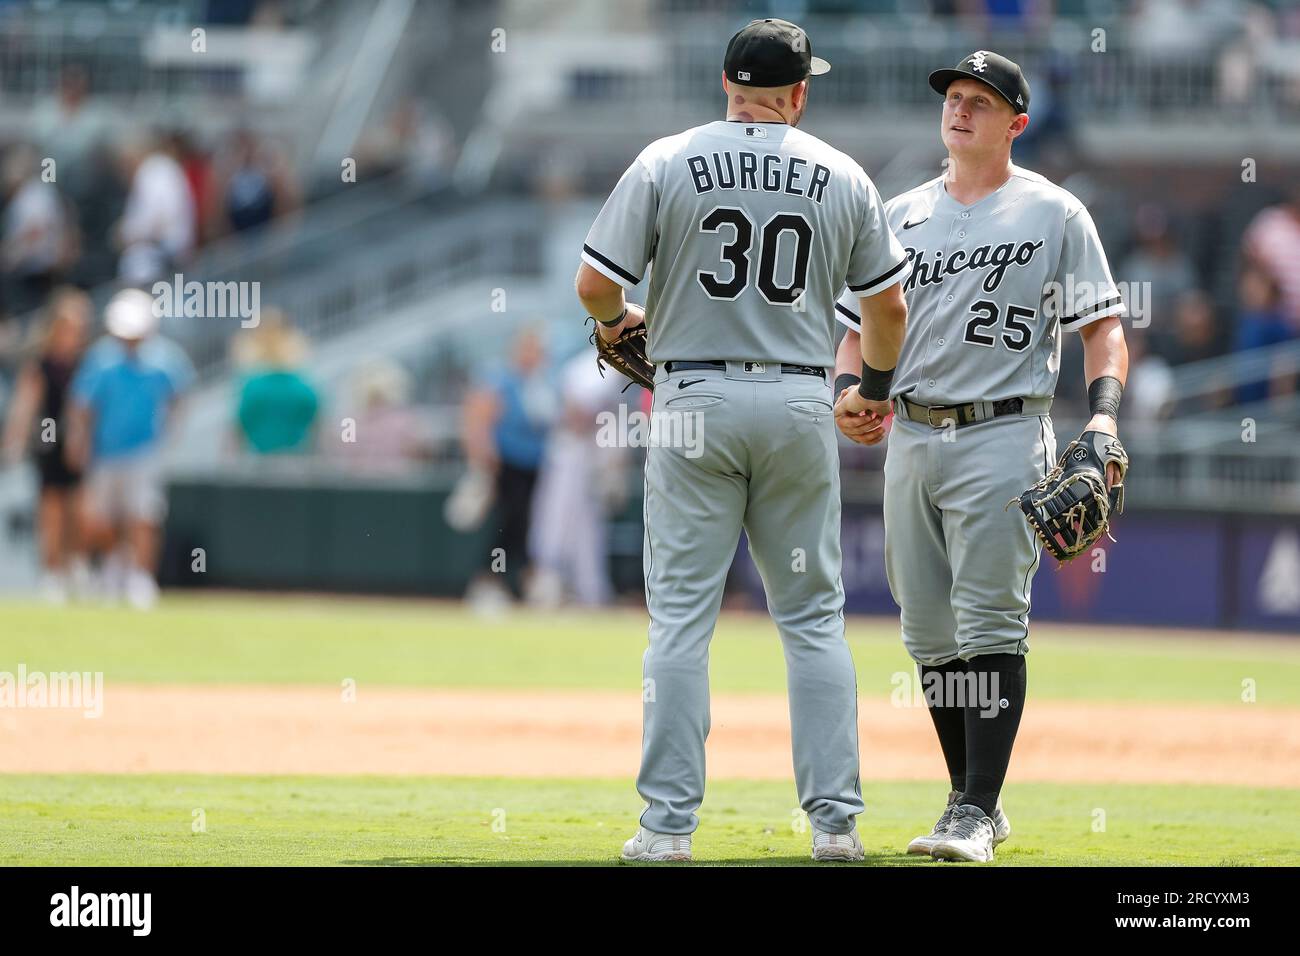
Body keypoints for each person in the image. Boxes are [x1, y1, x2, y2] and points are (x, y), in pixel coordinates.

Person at [576, 19, 909, 863]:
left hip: (692, 397)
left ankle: (666, 832)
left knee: (680, 623)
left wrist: (620, 323)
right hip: (799, 401)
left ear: (727, 82)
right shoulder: (842, 172)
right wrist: (868, 391)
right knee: (813, 622)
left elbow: (594, 284)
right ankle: (834, 825)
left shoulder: (666, 157)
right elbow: (887, 311)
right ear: (798, 94)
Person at [833, 51, 1129, 862]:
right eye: (954, 98)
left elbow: (1103, 328)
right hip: (912, 434)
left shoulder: (1054, 213)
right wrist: (851, 392)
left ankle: (972, 809)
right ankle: (974, 800)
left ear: (1016, 123)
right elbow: (856, 329)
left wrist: (1101, 423)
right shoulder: (896, 215)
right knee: (927, 631)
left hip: (1003, 430)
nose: (960, 110)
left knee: (993, 618)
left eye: (981, 101)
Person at [67, 288, 194, 609]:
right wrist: (78, 441)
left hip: (145, 453)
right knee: (100, 519)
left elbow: (181, 394)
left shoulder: (165, 358)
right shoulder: (101, 359)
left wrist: (171, 432)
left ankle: (141, 577)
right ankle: (115, 563)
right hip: (104, 452)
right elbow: (82, 406)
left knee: (144, 516)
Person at [1, 287, 91, 601]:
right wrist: (14, 442)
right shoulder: (40, 364)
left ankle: (75, 567)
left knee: (79, 511)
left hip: (80, 445)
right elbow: (26, 405)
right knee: (51, 510)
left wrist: (83, 440)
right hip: (50, 441)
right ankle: (52, 573)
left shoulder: (86, 364)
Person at [459, 326, 556, 610]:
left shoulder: (541, 384)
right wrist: (482, 458)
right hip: (507, 463)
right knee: (508, 521)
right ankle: (490, 582)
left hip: (534, 467)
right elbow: (478, 419)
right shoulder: (500, 380)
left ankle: (521, 580)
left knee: (524, 524)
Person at [230, 312, 319, 456]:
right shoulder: (302, 388)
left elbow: (238, 430)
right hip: (297, 460)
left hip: (259, 462)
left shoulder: (251, 388)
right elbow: (316, 425)